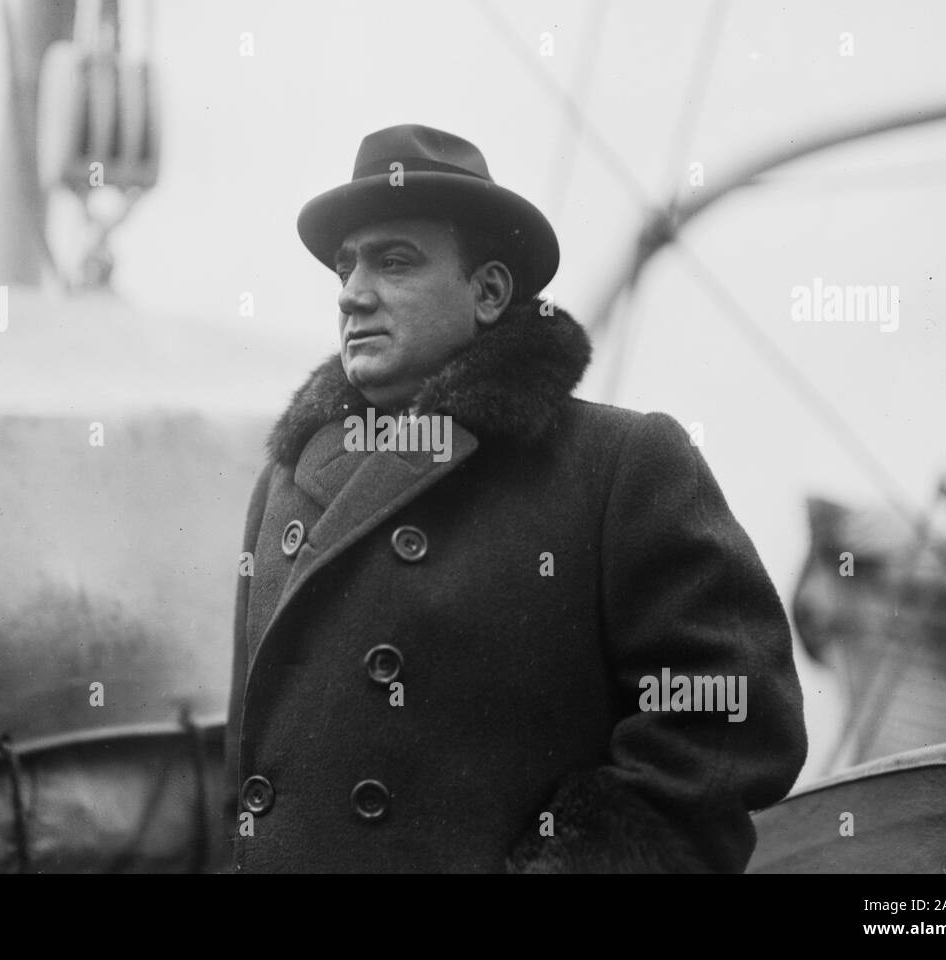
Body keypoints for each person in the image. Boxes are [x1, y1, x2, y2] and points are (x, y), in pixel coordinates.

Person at [224, 123, 807, 872]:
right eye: (345, 266)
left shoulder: (618, 464)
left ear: (489, 291)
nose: (352, 293)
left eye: (393, 261)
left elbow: (731, 710)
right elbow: (245, 769)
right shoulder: (283, 487)